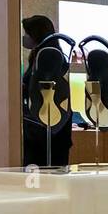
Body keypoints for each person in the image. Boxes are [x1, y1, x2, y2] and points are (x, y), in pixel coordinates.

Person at [21, 14, 72, 167]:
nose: (24, 38)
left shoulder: (48, 56)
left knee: (42, 176)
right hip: (46, 128)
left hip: (45, 129)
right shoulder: (45, 55)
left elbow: (40, 90)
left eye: (27, 33)